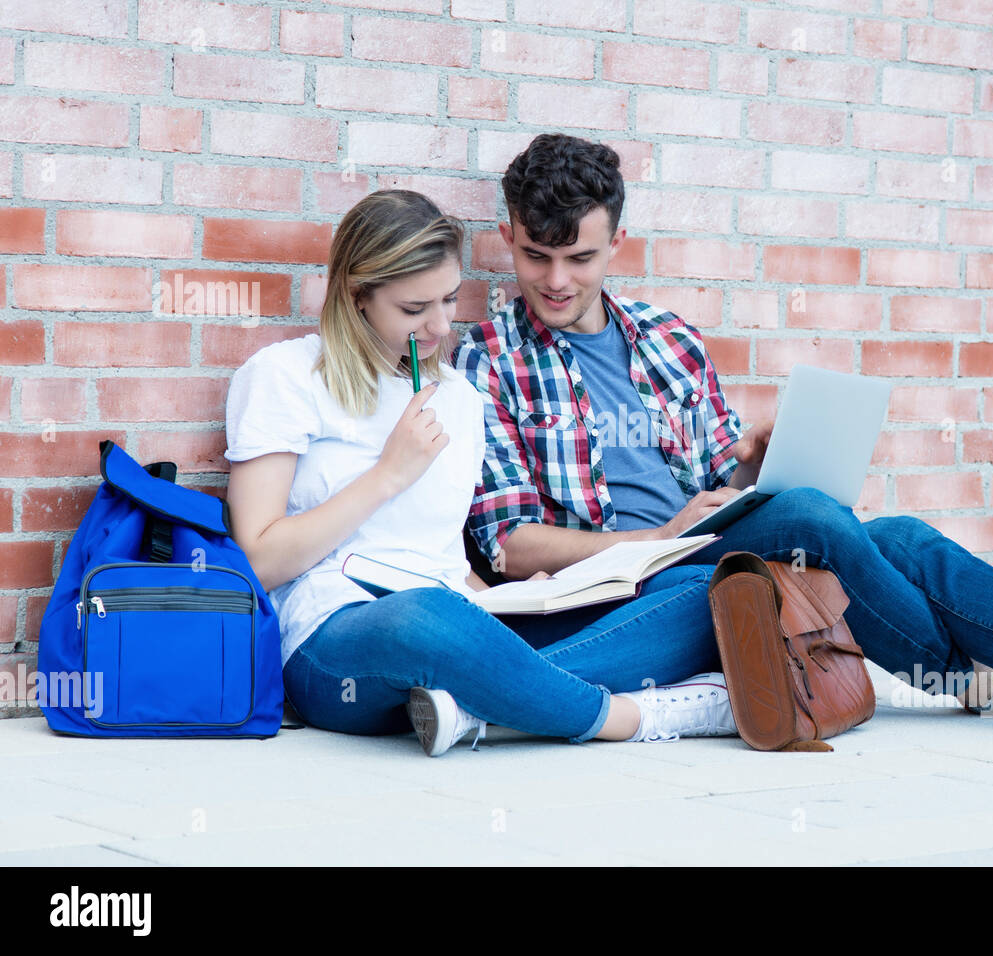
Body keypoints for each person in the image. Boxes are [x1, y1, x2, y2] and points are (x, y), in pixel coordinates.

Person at [453, 133, 993, 741]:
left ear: (616, 244)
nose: (556, 281)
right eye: (535, 257)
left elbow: (715, 480)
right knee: (811, 519)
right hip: (625, 579)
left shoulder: (669, 340)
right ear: (510, 237)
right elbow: (507, 547)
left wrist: (756, 461)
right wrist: (654, 537)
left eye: (579, 258)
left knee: (899, 534)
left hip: (710, 546)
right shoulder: (485, 359)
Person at [222, 189, 736, 757]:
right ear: (357, 295)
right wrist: (388, 475)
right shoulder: (285, 375)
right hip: (337, 635)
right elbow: (259, 564)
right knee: (425, 615)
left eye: (448, 300)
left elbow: (443, 560)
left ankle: (472, 705)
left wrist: (514, 595)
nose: (441, 327)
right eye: (414, 310)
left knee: (704, 589)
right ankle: (625, 716)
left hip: (458, 616)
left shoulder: (459, 398)